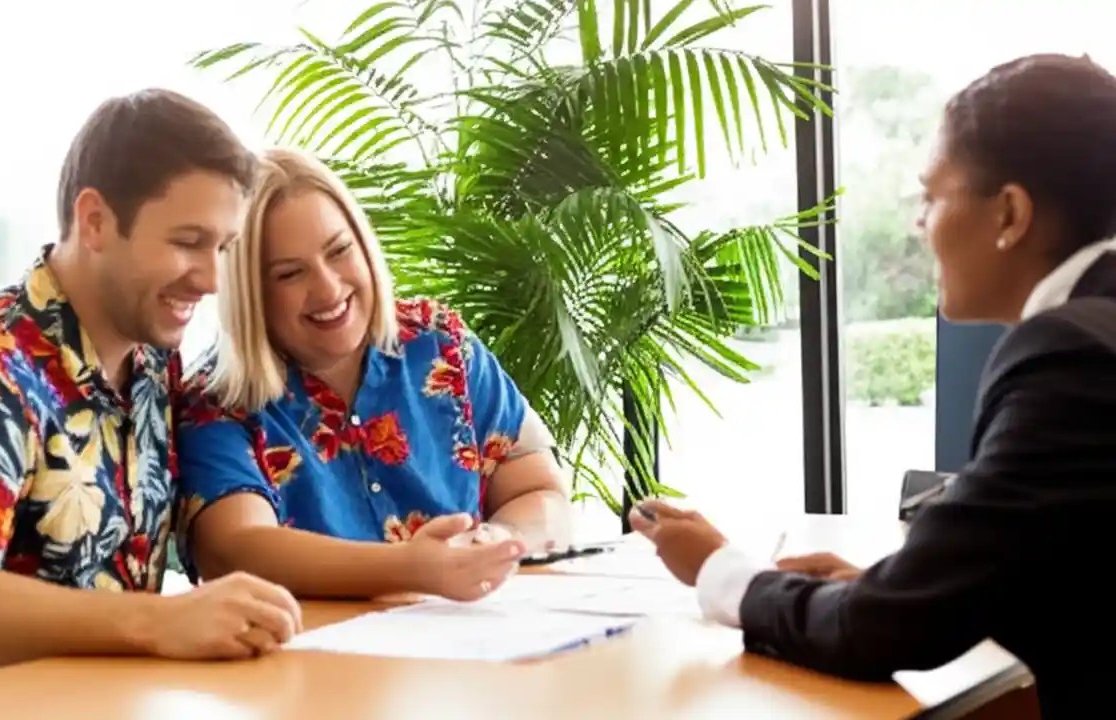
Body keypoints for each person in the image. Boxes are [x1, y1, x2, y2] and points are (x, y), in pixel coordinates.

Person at [628, 53, 1116, 717]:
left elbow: (886, 632)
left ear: (1009, 214)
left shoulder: (1069, 355)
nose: (920, 227)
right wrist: (919, 583)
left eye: (931, 197)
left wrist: (721, 570)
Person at [0, 89, 303, 689]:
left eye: (223, 247)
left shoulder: (152, 364)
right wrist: (161, 621)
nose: (210, 279)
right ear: (94, 220)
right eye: (186, 242)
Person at [175, 147, 574, 601]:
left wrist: (490, 543)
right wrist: (414, 568)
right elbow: (236, 550)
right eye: (290, 274)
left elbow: (542, 490)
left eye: (339, 251)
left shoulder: (441, 345)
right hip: (307, 665)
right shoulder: (217, 402)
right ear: (250, 296)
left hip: (469, 654)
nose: (328, 288)